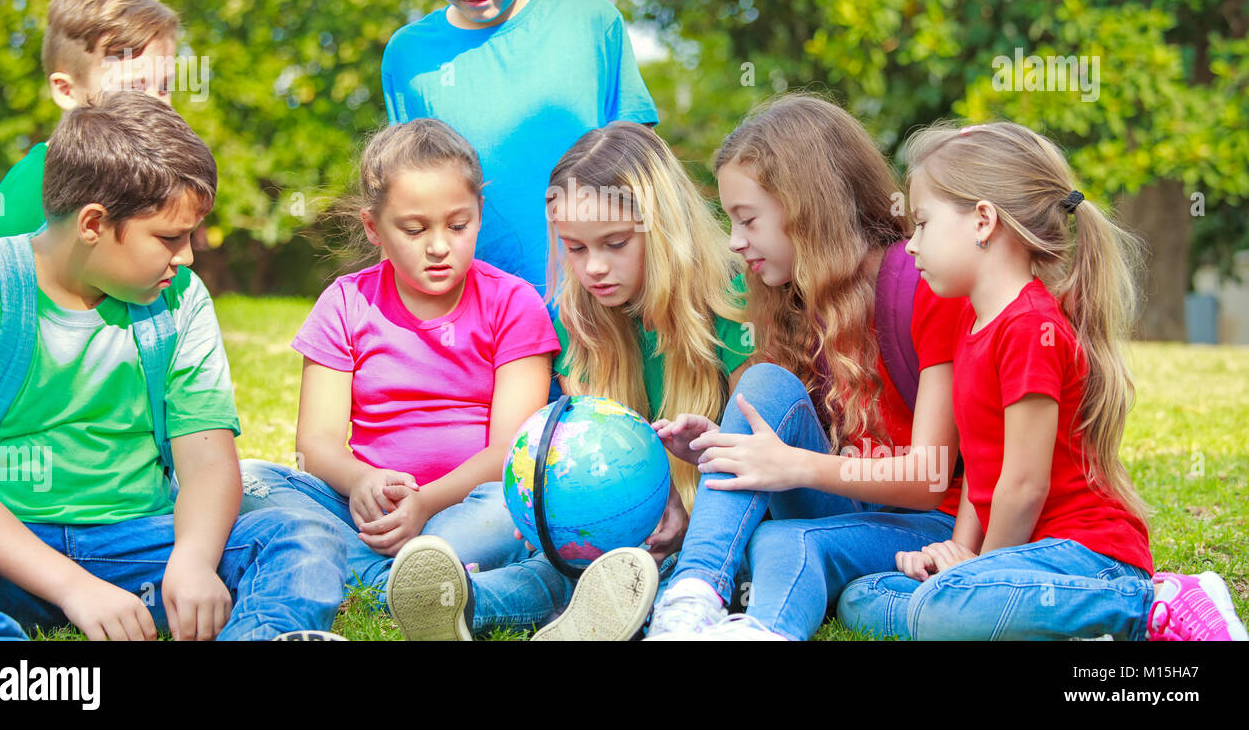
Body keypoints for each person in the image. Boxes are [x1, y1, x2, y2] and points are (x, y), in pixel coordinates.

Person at [0, 94, 347, 640]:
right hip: (0, 548)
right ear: (93, 223)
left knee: (304, 534)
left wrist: (193, 559)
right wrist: (72, 587)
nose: (185, 257)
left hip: (138, 544)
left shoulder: (181, 298)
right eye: (169, 237)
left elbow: (207, 464)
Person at [837, 122, 1248, 641]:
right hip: (1020, 561)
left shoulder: (1032, 327)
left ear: (983, 220)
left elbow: (1024, 485)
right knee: (861, 596)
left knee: (947, 603)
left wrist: (975, 571)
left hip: (1085, 555)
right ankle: (1053, 624)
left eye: (922, 224)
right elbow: (984, 473)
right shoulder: (970, 319)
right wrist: (959, 553)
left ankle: (1154, 604)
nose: (911, 246)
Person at [384, 121, 753, 640]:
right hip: (618, 534)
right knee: (552, 566)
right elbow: (583, 449)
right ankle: (464, 606)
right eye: (575, 249)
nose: (594, 268)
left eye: (616, 243)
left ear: (664, 226)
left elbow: (756, 457)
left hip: (714, 536)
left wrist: (689, 516)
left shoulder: (731, 302)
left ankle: (603, 618)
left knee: (666, 579)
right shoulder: (578, 320)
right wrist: (551, 505)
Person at [640, 94, 971, 640]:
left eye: (748, 219)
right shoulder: (796, 302)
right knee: (762, 383)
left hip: (929, 526)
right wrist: (725, 444)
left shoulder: (917, 286)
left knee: (783, 541)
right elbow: (788, 442)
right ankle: (691, 598)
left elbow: (929, 479)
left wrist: (791, 466)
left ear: (808, 208)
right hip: (844, 501)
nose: (735, 241)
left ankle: (759, 630)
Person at [238, 119, 558, 604]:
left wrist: (424, 503)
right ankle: (426, 585)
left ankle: (355, 573)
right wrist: (361, 481)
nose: (438, 246)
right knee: (244, 481)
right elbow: (316, 443)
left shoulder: (512, 302)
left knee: (509, 510)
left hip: (468, 506)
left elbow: (510, 454)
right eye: (414, 229)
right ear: (374, 227)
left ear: (480, 212)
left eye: (458, 225)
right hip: (362, 512)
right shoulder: (345, 303)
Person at [381, 0, 658, 297]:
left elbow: (643, 167)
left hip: (596, 304)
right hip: (475, 315)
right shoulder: (408, 57)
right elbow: (404, 197)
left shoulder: (590, 22)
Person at [0, 0, 180, 240]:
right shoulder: (33, 189)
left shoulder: (142, 177)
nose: (157, 104)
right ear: (66, 91)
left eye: (164, 87)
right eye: (133, 88)